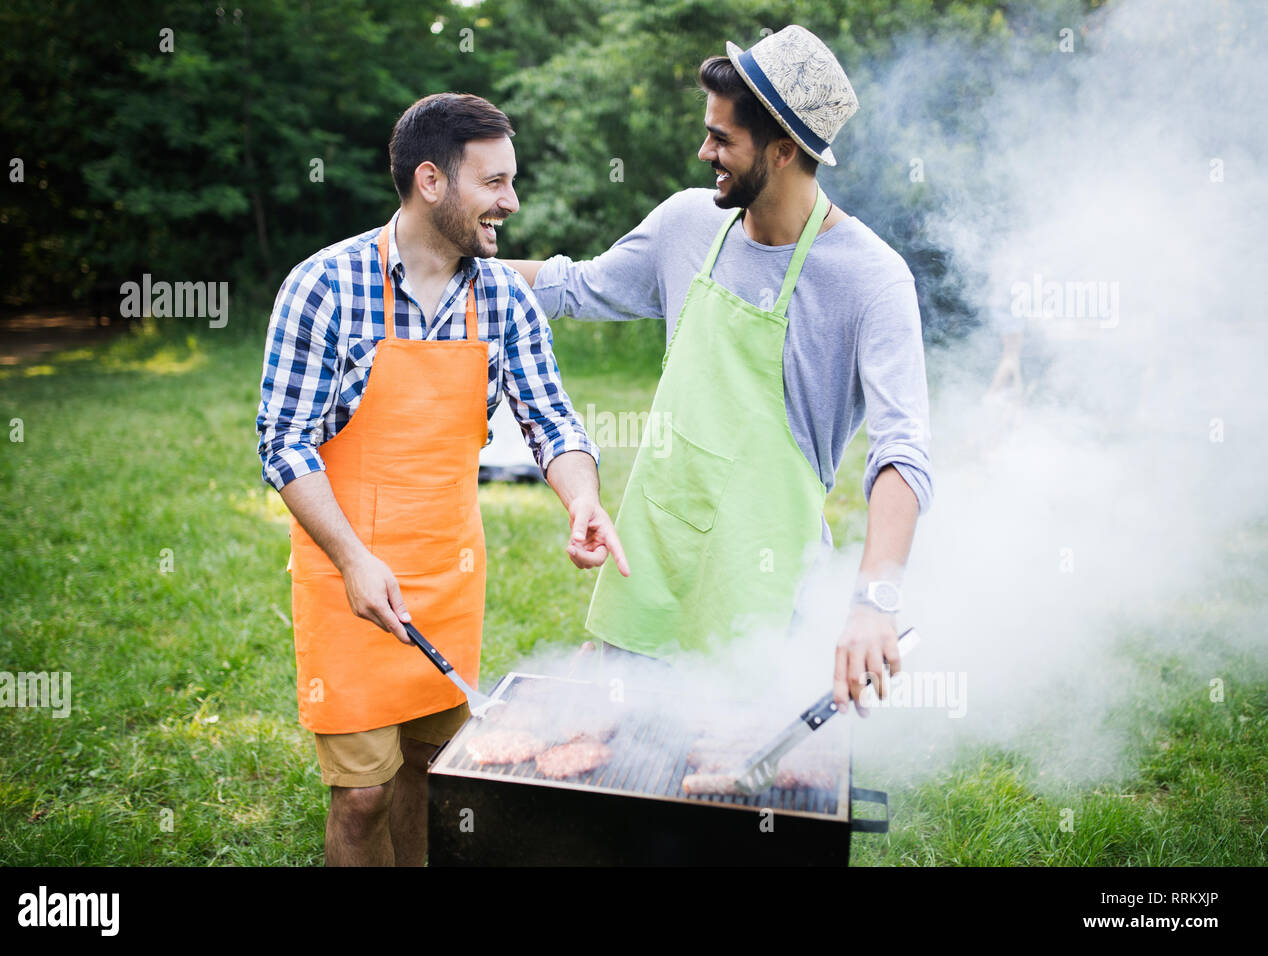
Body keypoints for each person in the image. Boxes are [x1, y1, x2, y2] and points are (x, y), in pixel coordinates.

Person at [504, 26, 933, 715]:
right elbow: (572, 286)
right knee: (618, 789)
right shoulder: (688, 225)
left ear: (784, 151)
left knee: (726, 793)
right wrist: (445, 265)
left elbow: (902, 452)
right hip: (647, 568)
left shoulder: (872, 280)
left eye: (722, 139)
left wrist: (874, 600)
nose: (705, 152)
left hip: (761, 594)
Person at [256, 93, 628, 866]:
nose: (511, 202)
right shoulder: (324, 286)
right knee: (361, 796)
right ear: (431, 180)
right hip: (347, 575)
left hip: (446, 578)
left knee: (431, 773)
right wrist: (356, 560)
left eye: (511, 181)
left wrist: (582, 497)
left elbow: (552, 421)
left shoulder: (501, 299)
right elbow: (284, 441)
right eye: (493, 183)